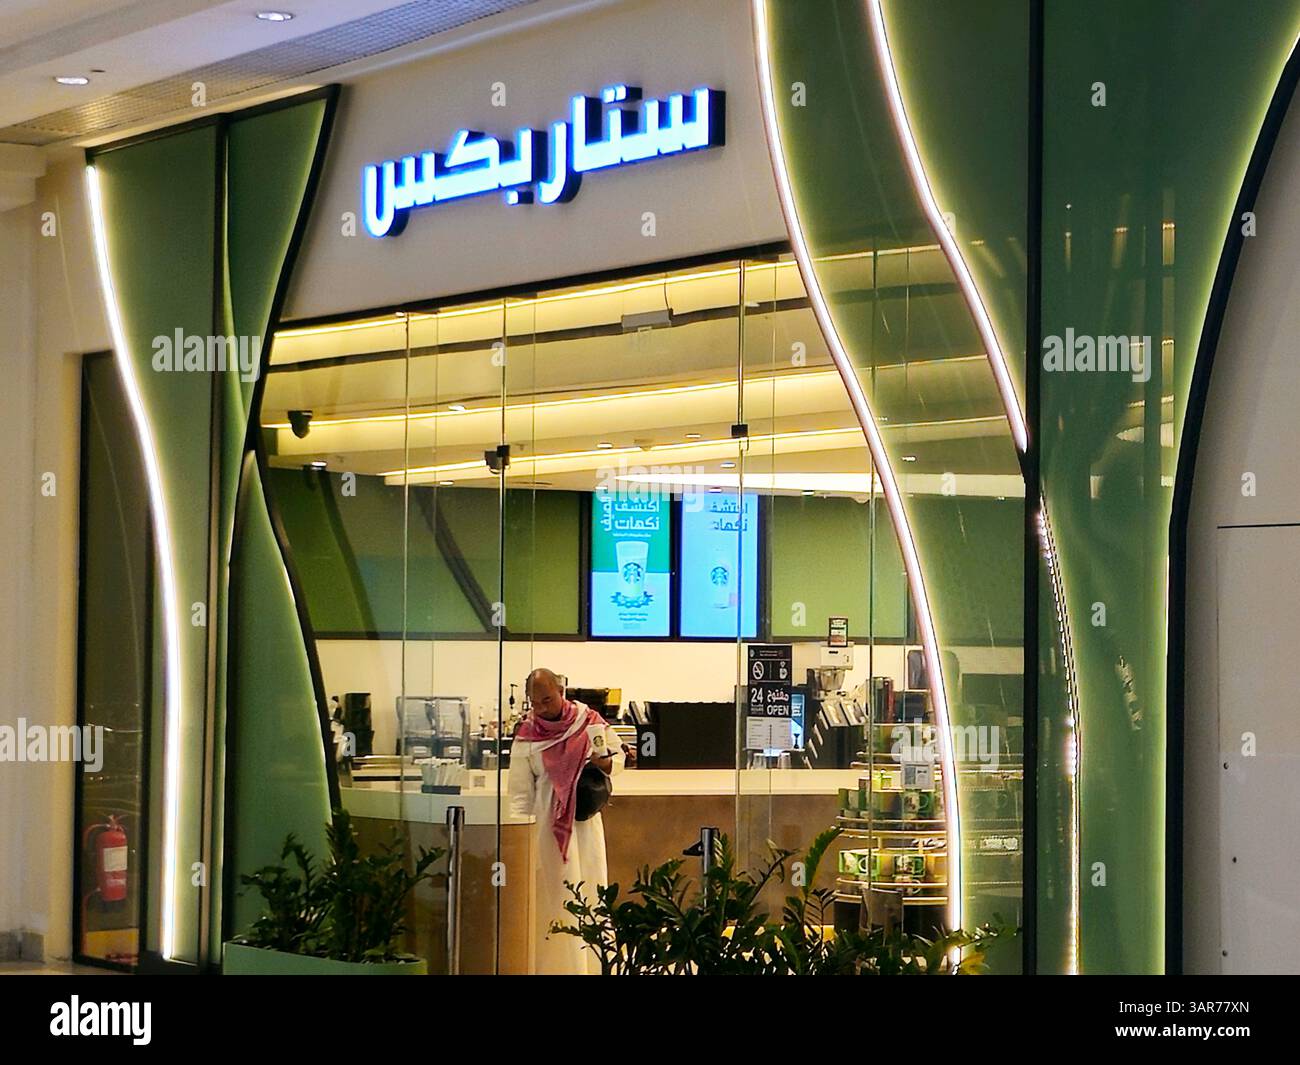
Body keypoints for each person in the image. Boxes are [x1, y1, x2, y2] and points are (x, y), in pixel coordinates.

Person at [508, 667, 623, 974]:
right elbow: (520, 793)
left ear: (561, 692)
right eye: (536, 703)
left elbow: (618, 758)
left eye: (547, 699)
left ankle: (591, 966)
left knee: (589, 889)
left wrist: (606, 762)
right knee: (552, 896)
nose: (543, 708)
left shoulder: (588, 722)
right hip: (546, 829)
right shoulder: (526, 736)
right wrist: (522, 835)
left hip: (584, 826)